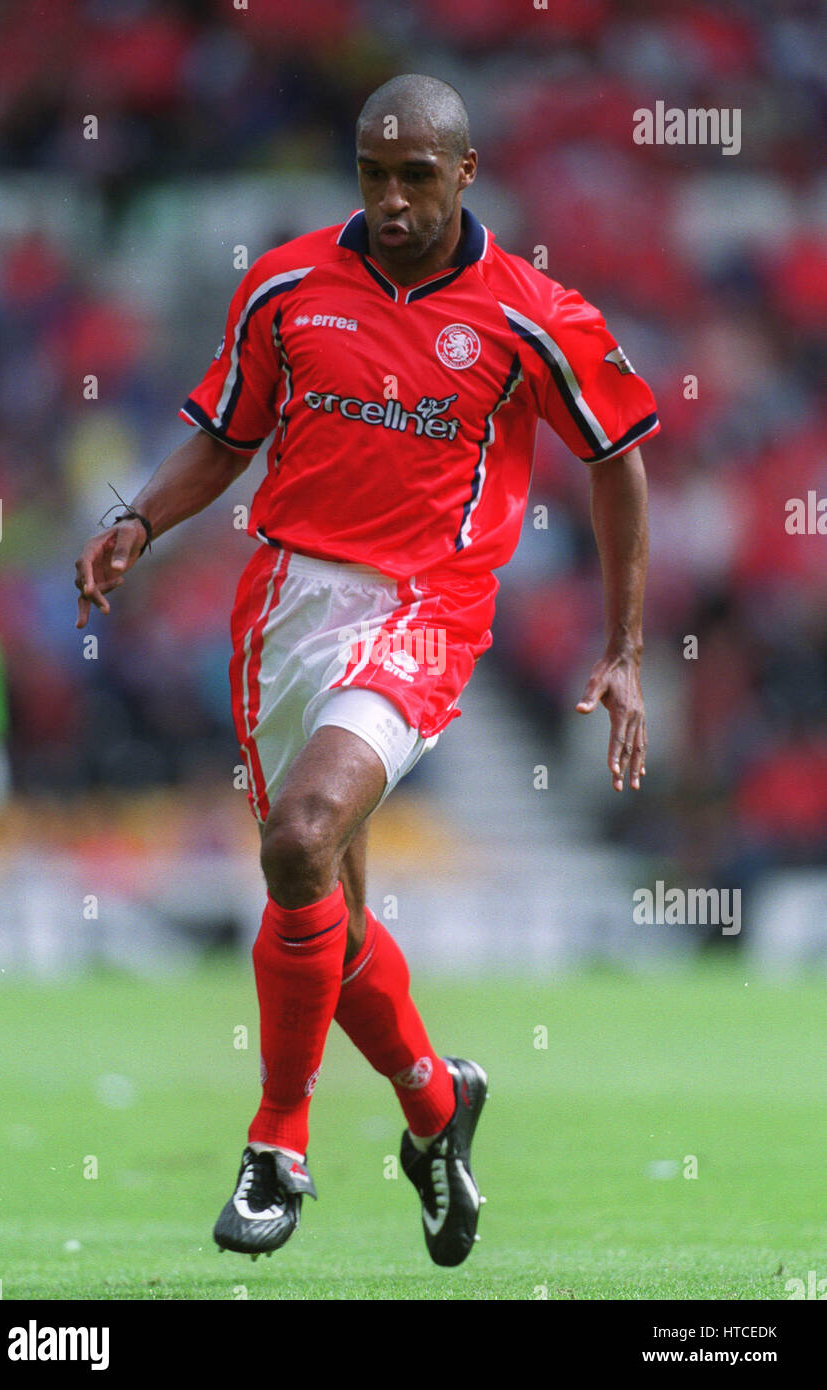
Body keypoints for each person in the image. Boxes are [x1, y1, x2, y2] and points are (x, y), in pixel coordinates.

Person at [74, 73, 658, 1269]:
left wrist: (623, 646)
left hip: (425, 607)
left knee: (295, 840)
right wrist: (139, 520)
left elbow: (615, 460)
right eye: (371, 176)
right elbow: (229, 435)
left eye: (415, 177)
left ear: (464, 172)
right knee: (323, 914)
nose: (390, 201)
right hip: (284, 603)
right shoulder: (287, 283)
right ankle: (436, 1110)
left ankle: (275, 1143)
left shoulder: (531, 313)